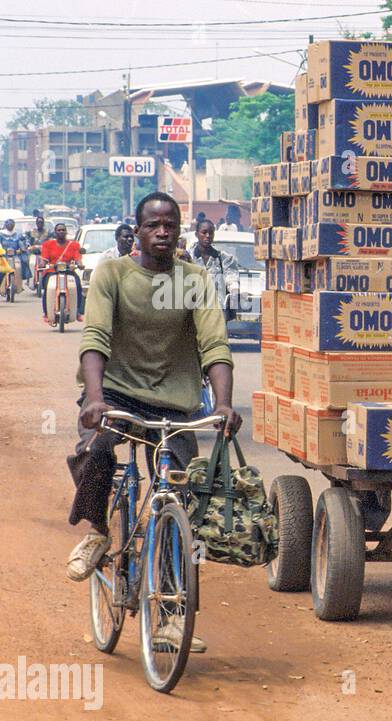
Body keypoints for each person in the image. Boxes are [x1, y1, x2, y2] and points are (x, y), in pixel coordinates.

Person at [65, 192, 239, 655]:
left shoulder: (195, 280)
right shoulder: (113, 274)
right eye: (153, 224)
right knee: (98, 449)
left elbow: (215, 346)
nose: (162, 231)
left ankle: (169, 618)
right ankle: (98, 532)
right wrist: (95, 397)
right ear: (137, 231)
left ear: (179, 231)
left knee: (181, 494)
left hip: (176, 403)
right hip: (116, 394)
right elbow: (95, 337)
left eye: (170, 224)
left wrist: (222, 405)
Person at [191, 218, 241, 320]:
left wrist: (234, 291)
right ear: (197, 235)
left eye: (211, 233)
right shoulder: (188, 257)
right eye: (204, 233)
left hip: (217, 313)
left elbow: (232, 278)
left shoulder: (223, 258)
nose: (208, 236)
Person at [39, 222, 85, 321]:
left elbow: (78, 257)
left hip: (68, 271)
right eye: (59, 230)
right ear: (55, 232)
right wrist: (42, 264)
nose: (61, 232)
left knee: (77, 285)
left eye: (63, 230)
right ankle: (46, 313)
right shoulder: (48, 244)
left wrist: (80, 264)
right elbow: (44, 259)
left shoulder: (74, 245)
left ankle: (78, 312)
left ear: (66, 232)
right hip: (51, 272)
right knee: (47, 288)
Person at [0, 219, 28, 290]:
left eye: (11, 224)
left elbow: (23, 242)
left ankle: (19, 285)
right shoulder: (1, 234)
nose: (10, 225)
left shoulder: (17, 234)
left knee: (21, 265)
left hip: (15, 255)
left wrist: (24, 247)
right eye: (8, 224)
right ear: (5, 225)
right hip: (3, 255)